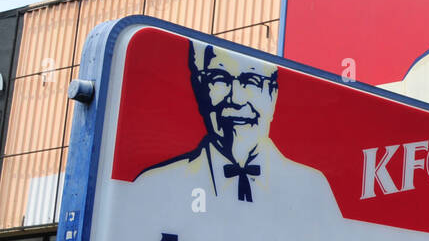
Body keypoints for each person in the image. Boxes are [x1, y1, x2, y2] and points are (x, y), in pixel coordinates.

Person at [134, 41, 334, 207]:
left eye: (253, 81)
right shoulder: (155, 186)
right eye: (219, 79)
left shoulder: (314, 190)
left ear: (272, 96)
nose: (236, 99)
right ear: (198, 90)